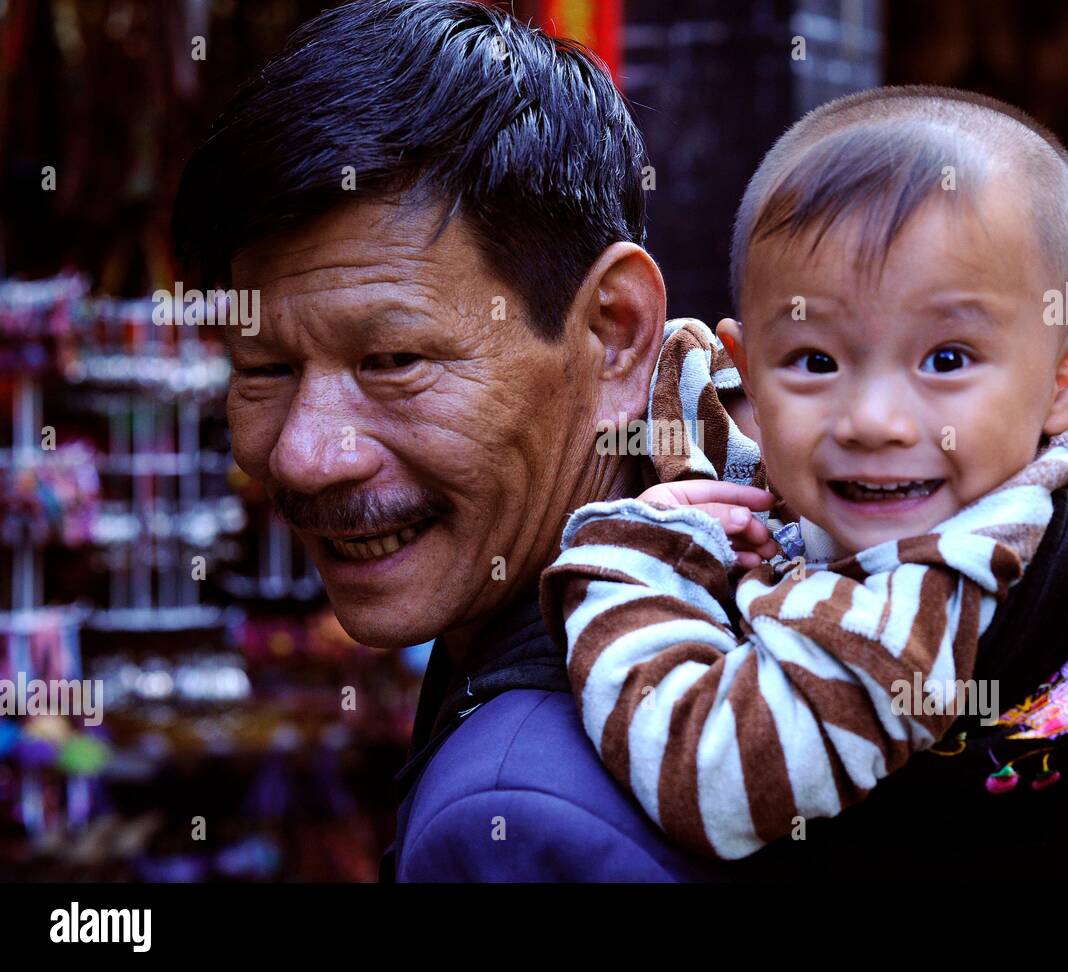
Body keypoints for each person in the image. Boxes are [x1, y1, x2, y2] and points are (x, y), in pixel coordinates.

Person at [541, 87, 1068, 882]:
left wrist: (636, 558)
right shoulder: (1016, 465)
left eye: (947, 359)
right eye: (817, 360)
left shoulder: (937, 592)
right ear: (751, 370)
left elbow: (704, 773)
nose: (873, 420)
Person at [171, 0, 728, 881]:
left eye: (393, 359)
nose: (306, 457)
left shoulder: (510, 823)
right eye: (263, 369)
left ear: (614, 333)